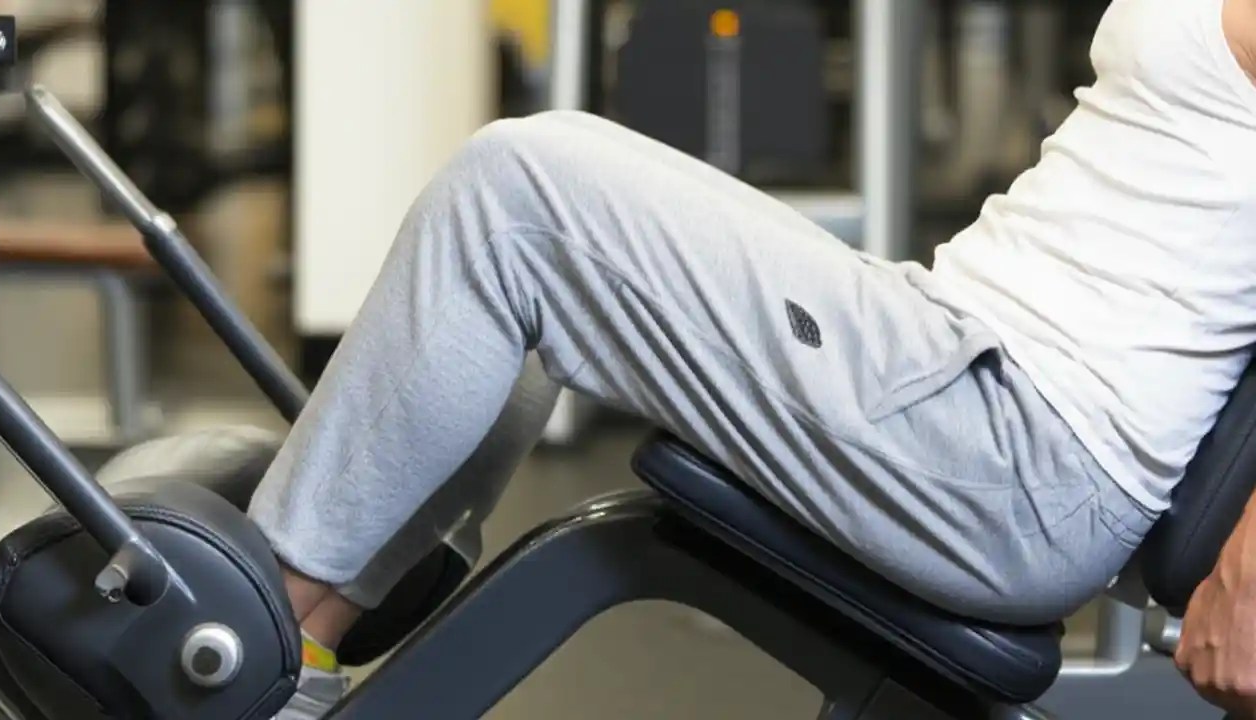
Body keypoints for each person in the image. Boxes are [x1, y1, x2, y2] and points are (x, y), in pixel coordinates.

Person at [247, 0, 1256, 717]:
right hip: (962, 357)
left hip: (1014, 442)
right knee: (538, 250)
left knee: (516, 197)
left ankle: (251, 647)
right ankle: (304, 646)